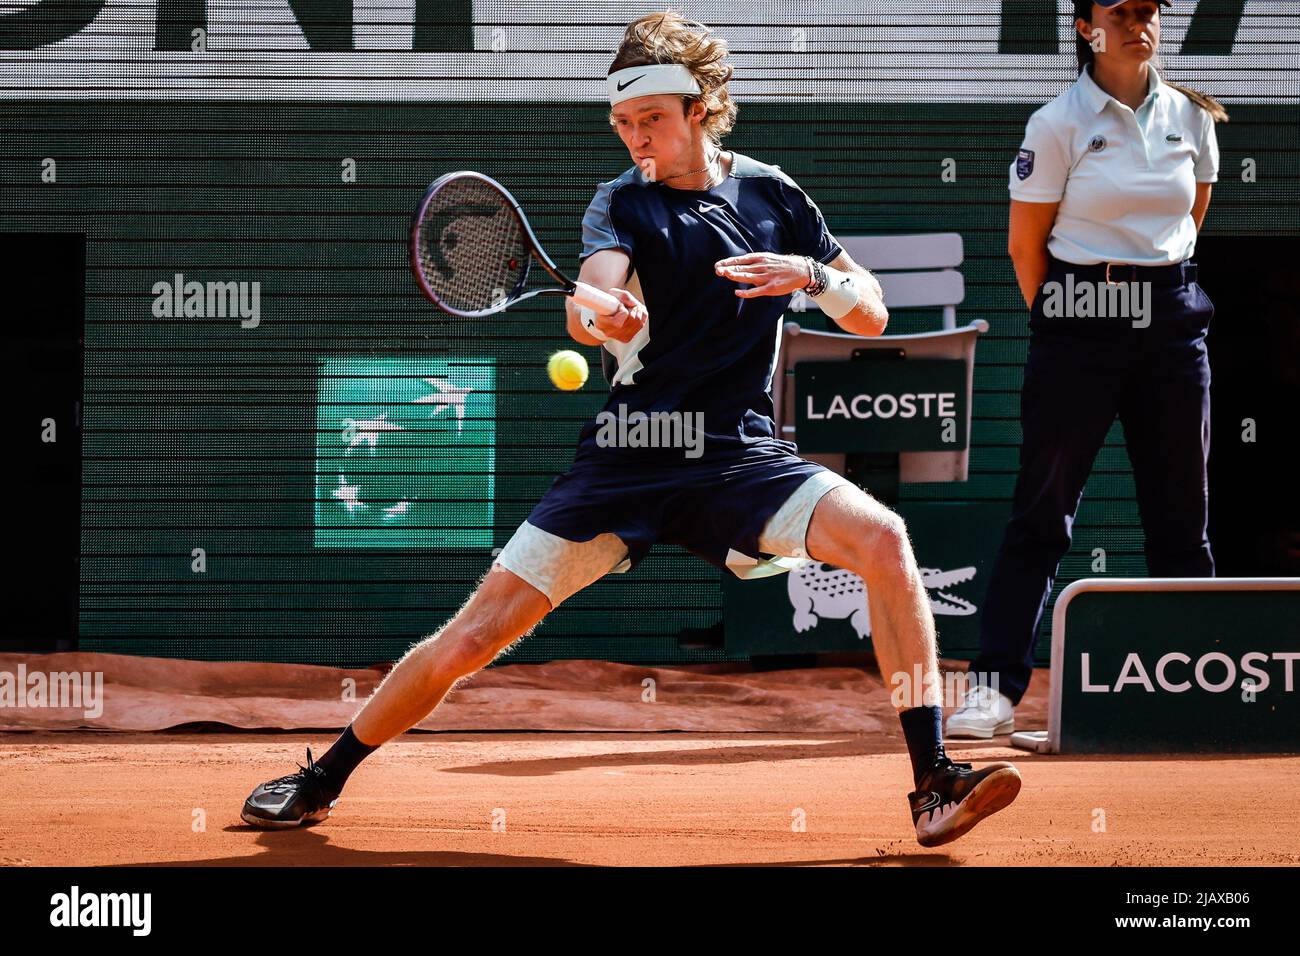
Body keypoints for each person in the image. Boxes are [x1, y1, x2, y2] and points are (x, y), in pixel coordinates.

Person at [243, 9, 1021, 847]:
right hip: (629, 458)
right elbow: (597, 294)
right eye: (622, 122)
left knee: (885, 540)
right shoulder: (620, 203)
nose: (635, 137)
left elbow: (870, 316)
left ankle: (933, 781)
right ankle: (323, 777)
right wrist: (604, 315)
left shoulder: (774, 195)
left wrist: (809, 275)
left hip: (737, 455)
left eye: (651, 117)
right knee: (473, 636)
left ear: (701, 108)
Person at [947, 0, 1225, 738]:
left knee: (1182, 519)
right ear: (1085, 28)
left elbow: (1188, 221)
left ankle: (1193, 688)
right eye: (1121, 9)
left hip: (1172, 322)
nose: (1140, 21)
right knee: (1042, 514)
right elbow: (1024, 245)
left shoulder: (1194, 118)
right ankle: (995, 694)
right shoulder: (1057, 123)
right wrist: (1067, 322)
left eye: (1149, 9)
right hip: (1077, 319)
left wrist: (1147, 294)